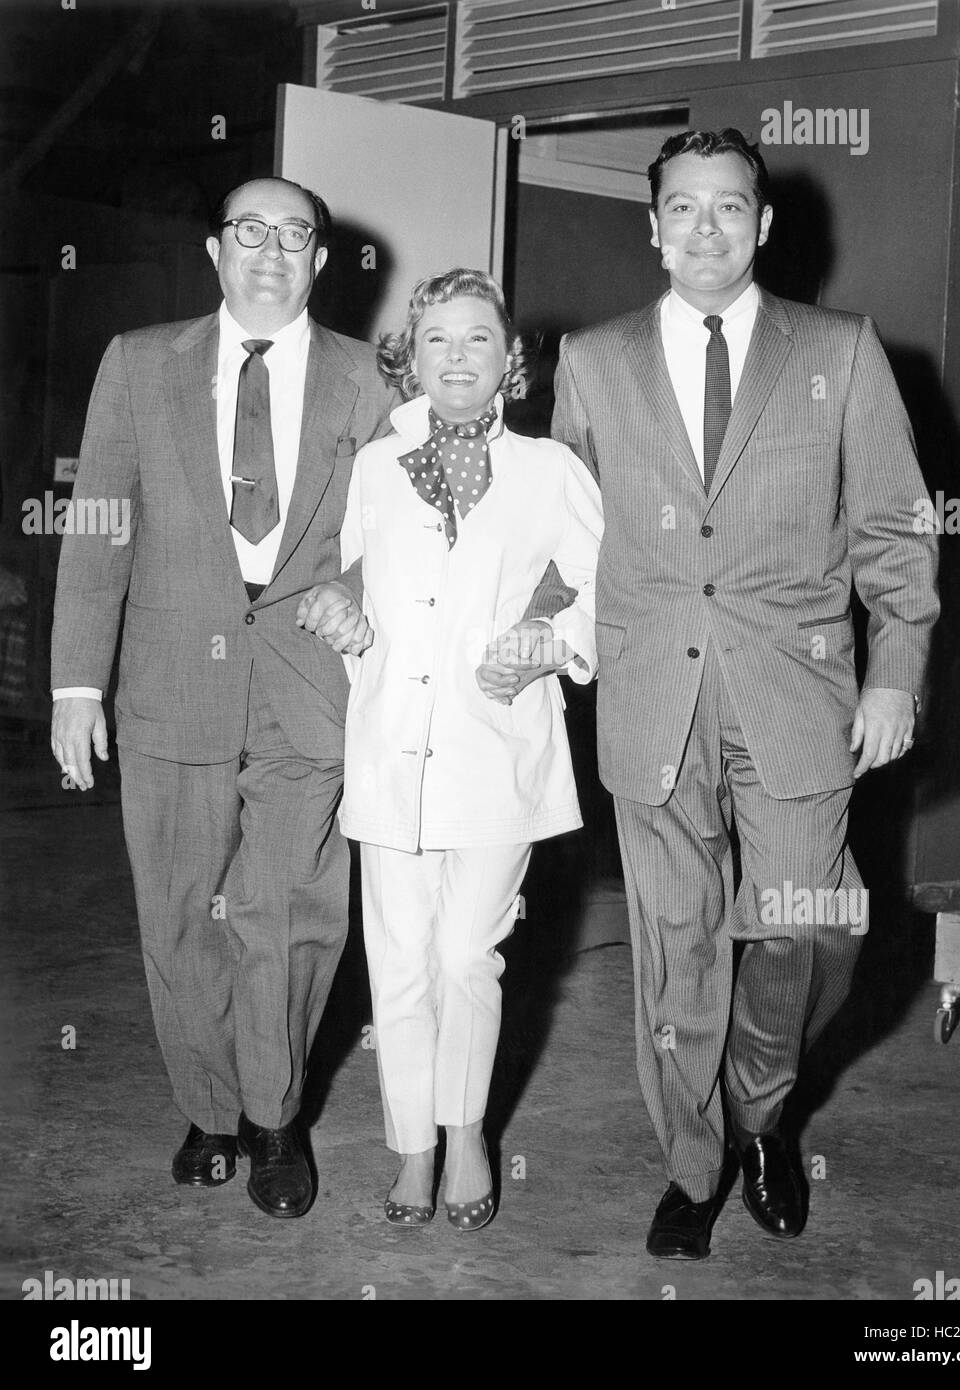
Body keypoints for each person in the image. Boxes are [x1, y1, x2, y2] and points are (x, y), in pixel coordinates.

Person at [531, 128, 940, 1258]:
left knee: (805, 922)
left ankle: (763, 1105)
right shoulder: (594, 358)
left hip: (797, 693)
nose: (703, 228)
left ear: (762, 225)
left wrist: (896, 671)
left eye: (728, 208)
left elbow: (896, 532)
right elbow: (565, 541)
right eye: (681, 208)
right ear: (650, 224)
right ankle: (696, 1160)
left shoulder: (839, 350)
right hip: (650, 692)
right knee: (676, 941)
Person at [50, 177, 392, 1219]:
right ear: (215, 251)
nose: (273, 254)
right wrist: (74, 681)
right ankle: (206, 1107)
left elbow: (403, 537)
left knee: (289, 916)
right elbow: (101, 522)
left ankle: (274, 1117)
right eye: (252, 232)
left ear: (320, 263)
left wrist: (354, 591)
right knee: (180, 912)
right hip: (166, 683)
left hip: (308, 689)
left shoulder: (368, 380)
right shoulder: (138, 362)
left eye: (297, 238)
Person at [297, 268, 603, 1229]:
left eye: (478, 339)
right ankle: (411, 1148)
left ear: (509, 362)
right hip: (390, 749)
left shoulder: (551, 470)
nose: (457, 356)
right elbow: (358, 575)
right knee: (397, 963)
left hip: (496, 753)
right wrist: (343, 613)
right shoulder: (377, 469)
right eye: (437, 339)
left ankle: (467, 1129)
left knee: (468, 954)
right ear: (408, 359)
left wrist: (549, 639)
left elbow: (594, 588)